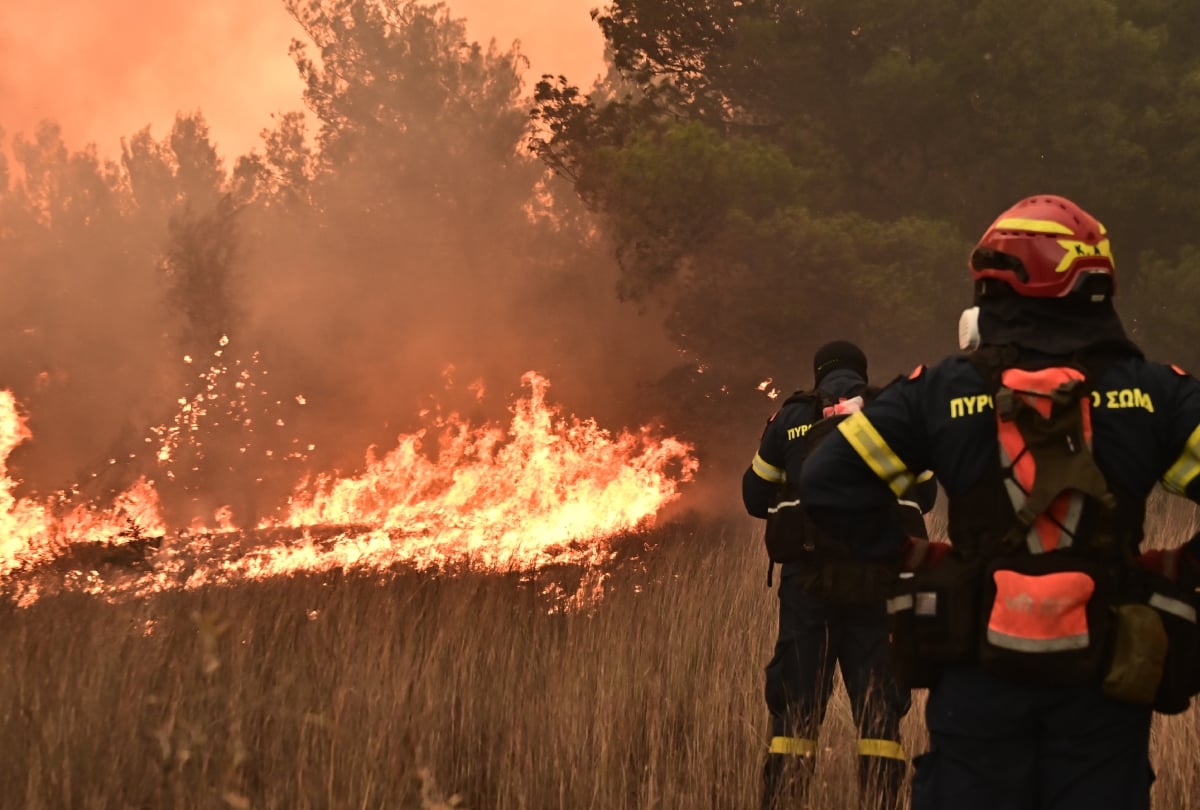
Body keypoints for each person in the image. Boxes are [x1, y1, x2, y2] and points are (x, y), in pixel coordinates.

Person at [798, 194, 1200, 810]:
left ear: (995, 286)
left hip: (977, 676)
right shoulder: (1153, 393)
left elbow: (826, 478)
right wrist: (1181, 572)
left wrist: (909, 558)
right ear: (1097, 283)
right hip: (1105, 683)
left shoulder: (939, 391)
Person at [743, 340, 935, 810]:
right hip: (879, 582)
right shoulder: (893, 414)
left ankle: (786, 800)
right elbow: (925, 497)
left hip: (808, 584)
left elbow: (753, 497)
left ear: (818, 376)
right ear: (862, 374)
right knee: (878, 714)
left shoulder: (789, 419)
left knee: (796, 709)